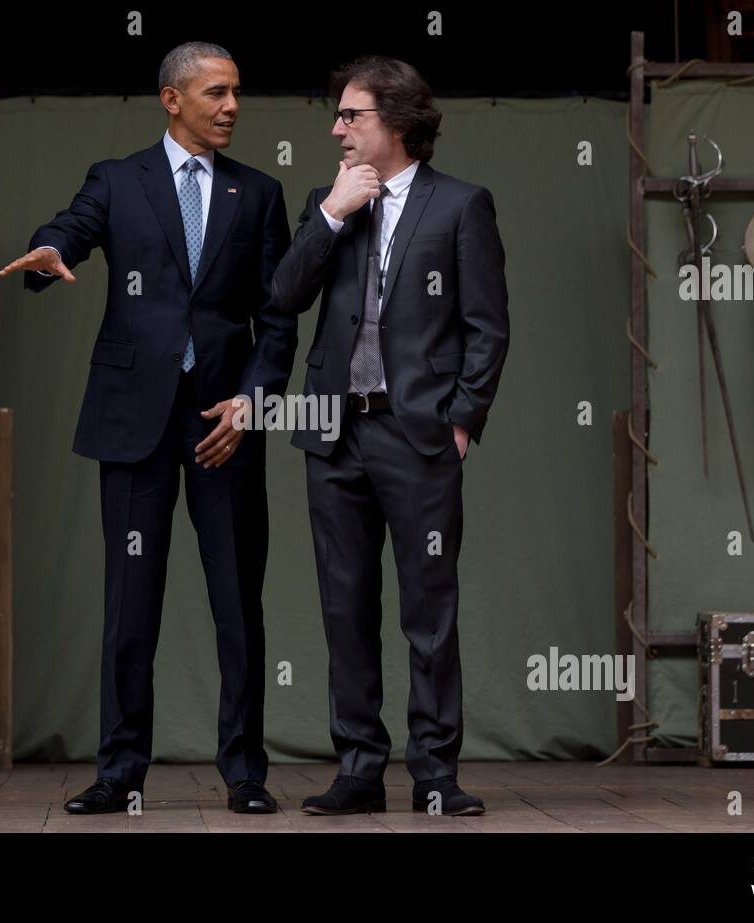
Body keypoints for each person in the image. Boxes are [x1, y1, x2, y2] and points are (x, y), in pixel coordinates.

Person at [0, 41, 295, 815]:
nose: (231, 106)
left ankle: (245, 773)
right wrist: (51, 252)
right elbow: (70, 227)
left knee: (238, 603)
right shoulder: (116, 180)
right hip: (134, 426)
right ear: (171, 99)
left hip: (223, 426)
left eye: (237, 92)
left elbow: (280, 318)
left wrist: (254, 399)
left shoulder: (258, 193)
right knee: (130, 603)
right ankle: (119, 771)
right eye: (216, 93)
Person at [271, 56, 509, 816]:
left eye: (352, 115)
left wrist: (462, 418)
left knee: (428, 609)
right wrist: (334, 212)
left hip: (419, 439)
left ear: (397, 123)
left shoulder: (461, 205)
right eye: (337, 115)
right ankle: (360, 769)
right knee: (345, 607)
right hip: (333, 437)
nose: (337, 128)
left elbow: (487, 327)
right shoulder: (326, 199)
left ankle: (435, 772)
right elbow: (283, 293)